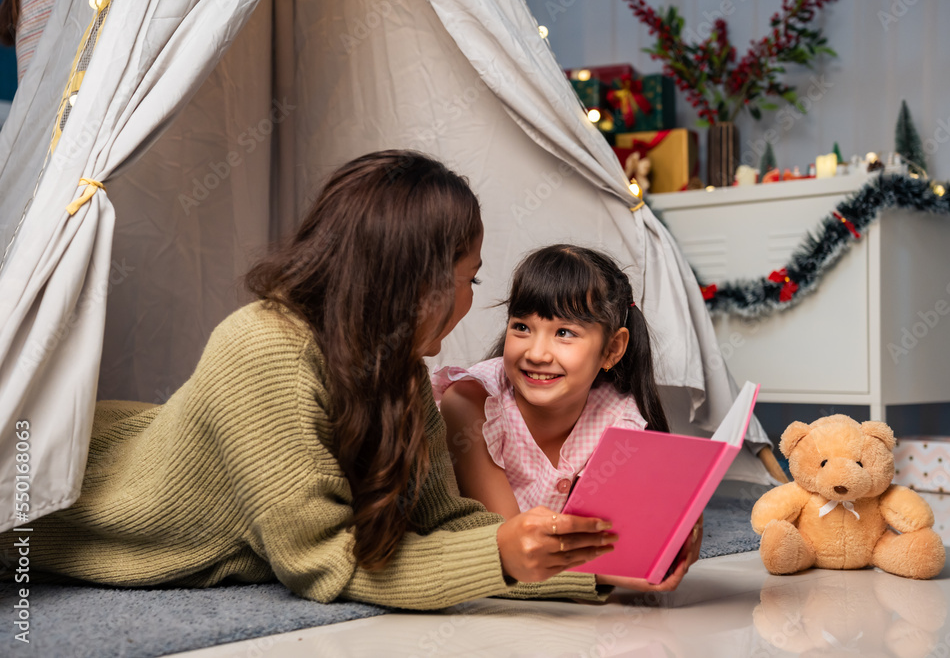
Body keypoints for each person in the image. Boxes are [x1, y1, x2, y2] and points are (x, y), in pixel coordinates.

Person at [1, 151, 620, 608]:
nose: (467, 302)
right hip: (49, 494)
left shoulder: (401, 371)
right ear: (415, 280)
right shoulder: (263, 345)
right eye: (470, 280)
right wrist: (503, 558)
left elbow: (445, 523)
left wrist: (603, 564)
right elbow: (325, 564)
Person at [435, 244, 703, 592]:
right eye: (521, 327)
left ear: (612, 350)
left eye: (564, 333)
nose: (536, 353)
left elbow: (615, 532)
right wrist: (601, 573)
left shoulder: (619, 416)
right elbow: (507, 548)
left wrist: (677, 533)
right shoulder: (471, 404)